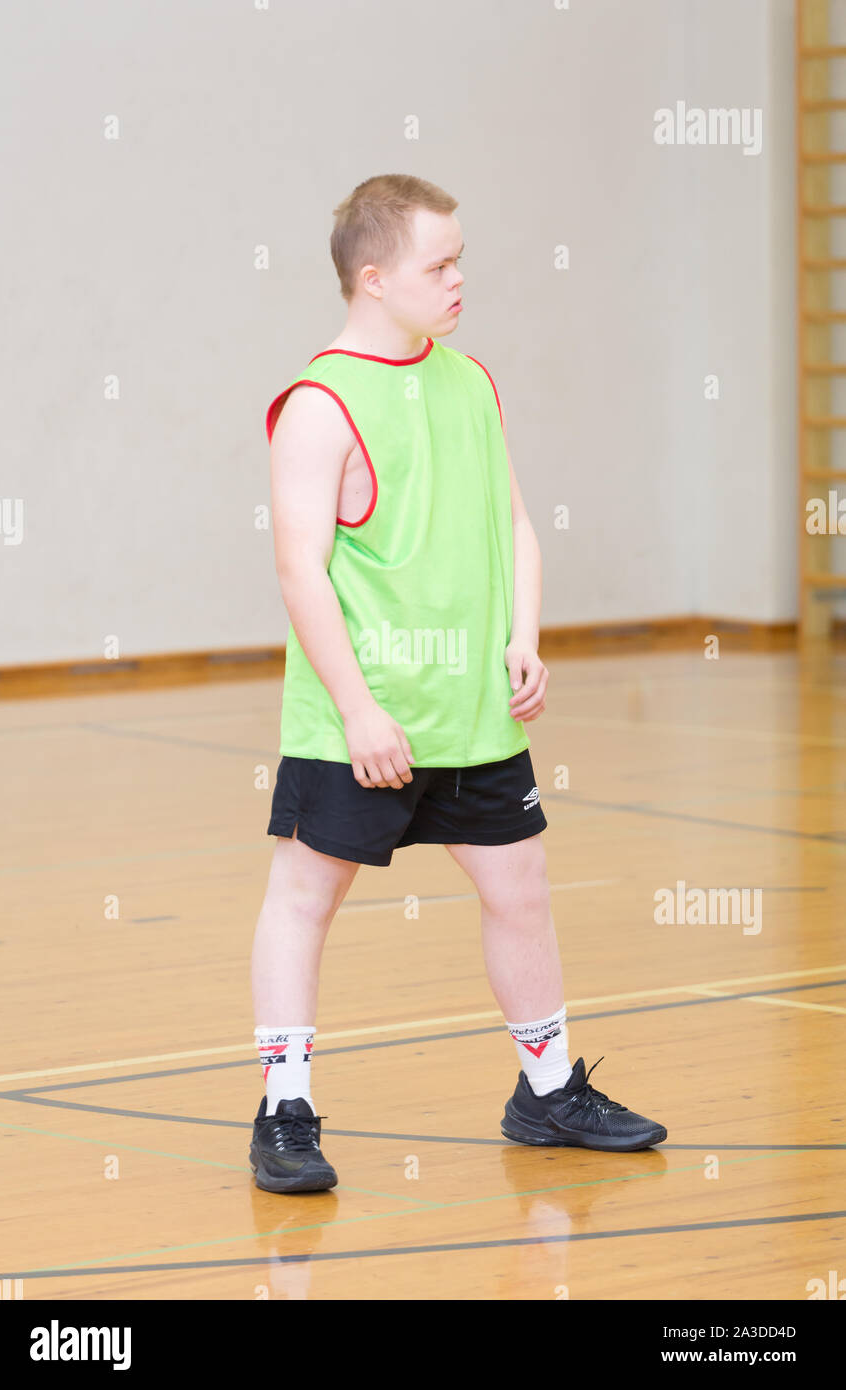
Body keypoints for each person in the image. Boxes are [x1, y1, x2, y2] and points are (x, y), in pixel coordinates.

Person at [250, 174, 667, 1194]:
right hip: (362, 719)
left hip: (472, 715)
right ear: (373, 277)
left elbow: (513, 522)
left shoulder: (469, 380)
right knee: (305, 897)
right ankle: (284, 1106)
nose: (458, 280)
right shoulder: (319, 405)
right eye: (439, 266)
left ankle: (546, 1090)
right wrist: (356, 709)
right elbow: (299, 568)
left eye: (459, 260)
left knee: (519, 891)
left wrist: (522, 636)